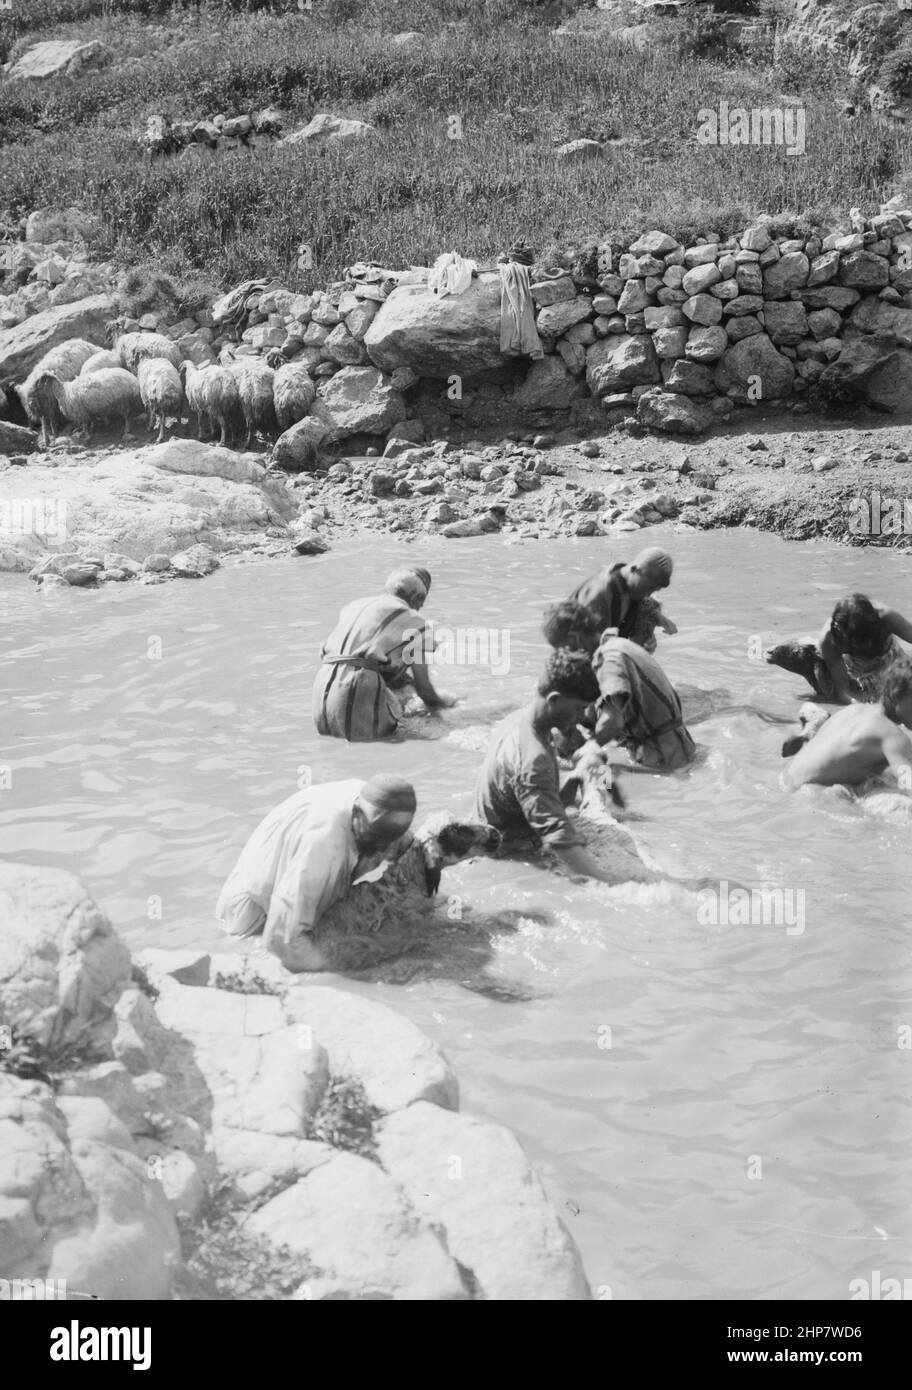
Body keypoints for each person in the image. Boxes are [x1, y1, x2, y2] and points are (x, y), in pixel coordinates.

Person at [216, 775, 417, 970]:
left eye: (390, 839)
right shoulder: (322, 845)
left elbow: (408, 848)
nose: (382, 848)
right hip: (254, 919)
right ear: (356, 812)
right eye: (377, 837)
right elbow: (280, 940)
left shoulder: (381, 809)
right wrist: (343, 970)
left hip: (294, 901)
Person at [474, 649, 628, 884]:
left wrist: (578, 775)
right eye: (578, 708)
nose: (581, 717)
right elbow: (557, 836)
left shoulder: (521, 720)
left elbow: (534, 802)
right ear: (554, 700)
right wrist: (609, 882)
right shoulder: (532, 758)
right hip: (514, 856)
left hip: (503, 835)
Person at [312, 566, 455, 741]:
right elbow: (425, 692)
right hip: (356, 694)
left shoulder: (353, 606)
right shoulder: (414, 622)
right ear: (419, 600)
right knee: (422, 735)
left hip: (321, 697)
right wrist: (452, 705)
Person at [783, 655, 912, 791]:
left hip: (787, 779)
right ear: (896, 694)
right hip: (809, 794)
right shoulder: (892, 735)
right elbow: (908, 783)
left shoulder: (853, 710)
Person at [768, 593, 912, 704]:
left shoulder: (886, 616)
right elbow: (844, 692)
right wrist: (864, 710)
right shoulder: (830, 642)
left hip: (889, 653)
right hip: (856, 665)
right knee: (872, 699)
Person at [590, 634, 695, 771]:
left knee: (604, 776)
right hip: (675, 749)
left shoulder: (608, 662)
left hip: (663, 759)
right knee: (605, 773)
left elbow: (613, 722)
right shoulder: (617, 646)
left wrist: (585, 751)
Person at [568, 547, 676, 651]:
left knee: (650, 607)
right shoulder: (599, 594)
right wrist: (632, 653)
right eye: (646, 588)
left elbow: (647, 603)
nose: (647, 594)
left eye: (653, 590)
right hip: (578, 656)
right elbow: (587, 645)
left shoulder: (630, 584)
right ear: (634, 569)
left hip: (611, 649)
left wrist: (652, 630)